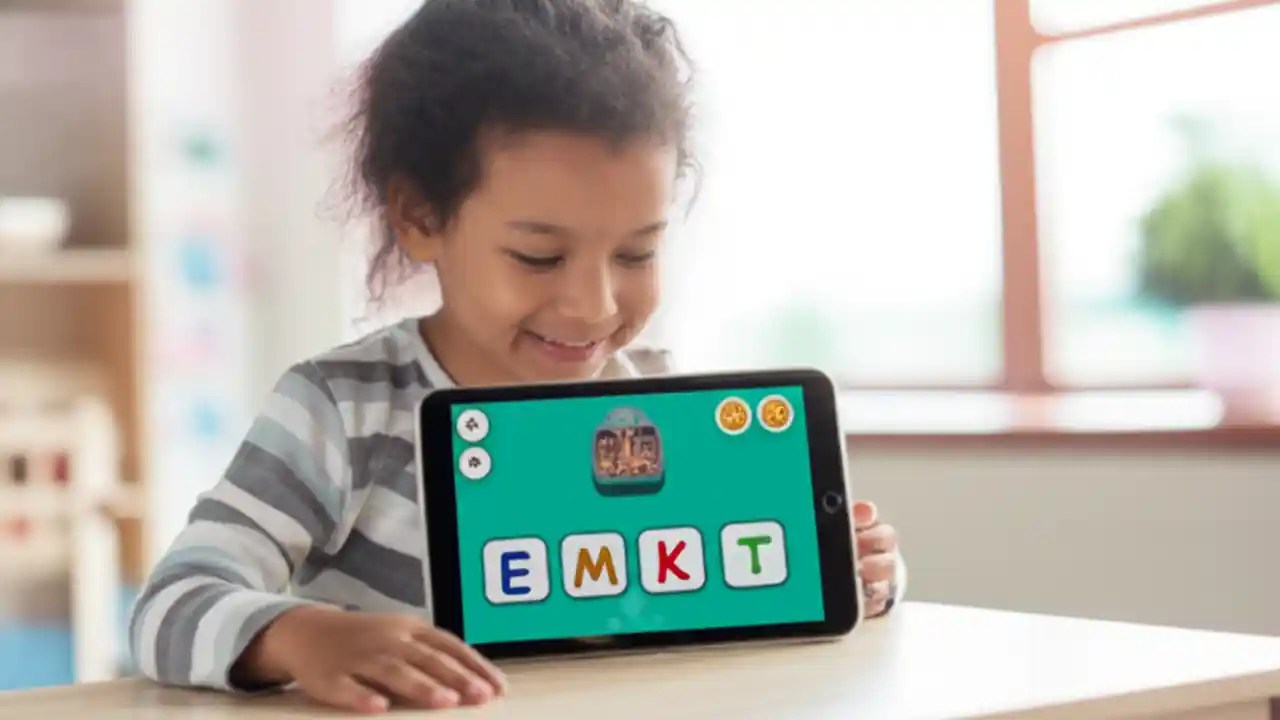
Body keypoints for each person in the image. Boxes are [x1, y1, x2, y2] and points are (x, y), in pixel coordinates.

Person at [128, 0, 905, 714]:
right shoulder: (342, 410)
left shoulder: (667, 403)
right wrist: (299, 635)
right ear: (420, 216)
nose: (594, 306)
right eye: (538, 257)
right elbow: (169, 605)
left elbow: (730, 600)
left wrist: (857, 576)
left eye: (636, 254)